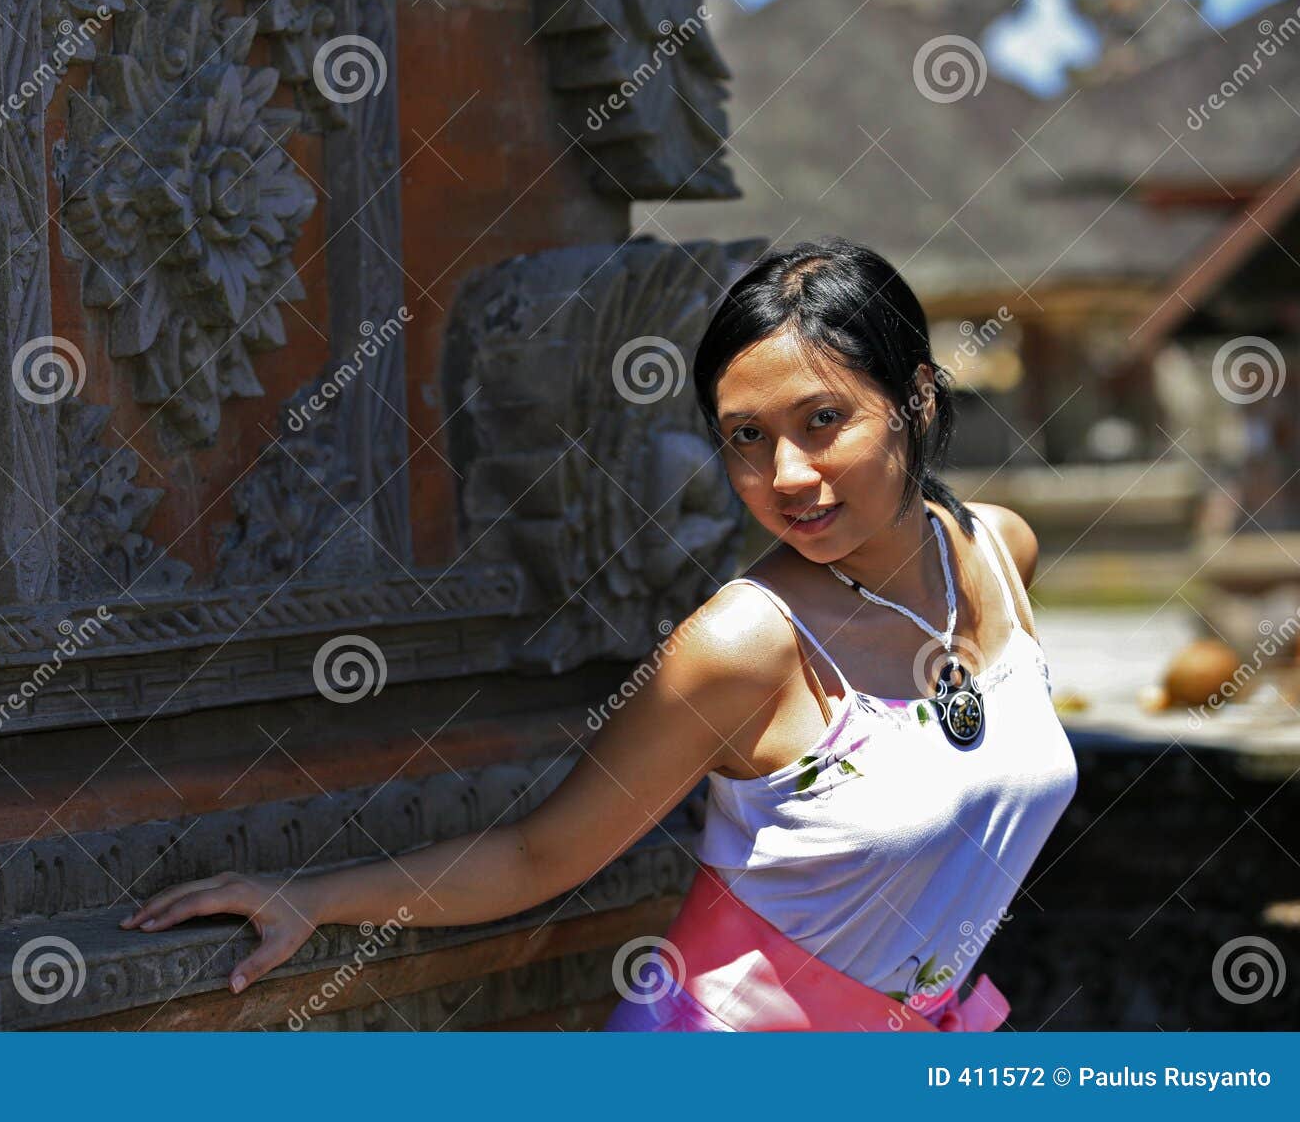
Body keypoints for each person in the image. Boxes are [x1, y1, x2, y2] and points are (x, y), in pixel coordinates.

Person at [120, 237, 1078, 1031]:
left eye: (824, 420)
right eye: (745, 435)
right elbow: (543, 852)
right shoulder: (748, 641)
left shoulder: (998, 554)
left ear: (913, 398)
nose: (784, 473)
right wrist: (312, 898)